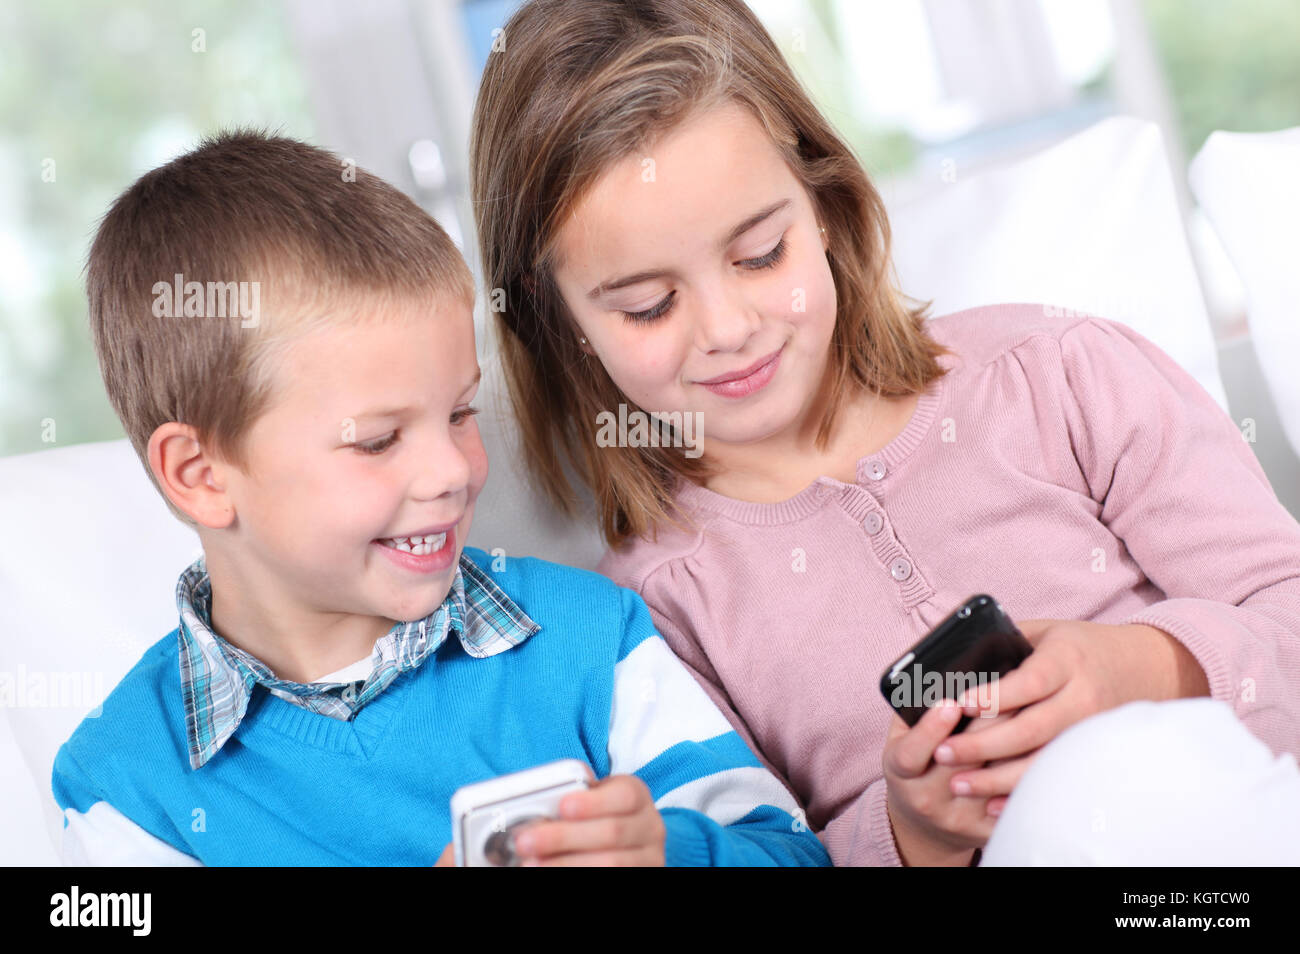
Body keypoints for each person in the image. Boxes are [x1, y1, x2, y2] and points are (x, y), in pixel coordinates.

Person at [469, 0, 1300, 865]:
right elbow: (770, 854)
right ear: (553, 316)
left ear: (822, 202)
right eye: (649, 305)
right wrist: (912, 831)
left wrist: (1149, 668)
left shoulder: (1059, 373)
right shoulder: (654, 615)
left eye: (760, 254)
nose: (726, 327)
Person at [49, 129, 830, 867]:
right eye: (378, 441)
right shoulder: (125, 783)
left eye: (459, 414)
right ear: (201, 475)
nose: (451, 473)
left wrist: (668, 850)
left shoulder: (589, 635)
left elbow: (793, 854)